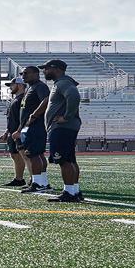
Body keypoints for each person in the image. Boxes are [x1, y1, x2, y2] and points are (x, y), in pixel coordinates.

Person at [38, 59, 85, 203]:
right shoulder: (61, 83)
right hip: (64, 128)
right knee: (70, 160)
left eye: (46, 69)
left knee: (63, 160)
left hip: (62, 128)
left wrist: (66, 117)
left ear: (56, 69)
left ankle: (69, 192)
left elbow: (74, 96)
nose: (44, 71)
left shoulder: (63, 83)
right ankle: (75, 191)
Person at [14, 65, 53, 194]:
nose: (23, 76)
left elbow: (46, 100)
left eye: (26, 73)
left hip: (36, 125)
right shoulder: (31, 87)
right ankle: (43, 182)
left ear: (36, 74)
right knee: (38, 154)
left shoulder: (40, 86)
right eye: (22, 73)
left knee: (34, 155)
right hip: (29, 126)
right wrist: (20, 128)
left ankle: (38, 183)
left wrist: (34, 115)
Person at [0, 78, 27, 188]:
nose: (10, 87)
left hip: (20, 132)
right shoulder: (16, 99)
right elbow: (12, 119)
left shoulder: (23, 99)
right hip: (13, 132)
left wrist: (19, 131)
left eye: (12, 85)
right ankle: (19, 179)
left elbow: (24, 118)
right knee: (15, 155)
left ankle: (36, 180)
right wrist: (7, 132)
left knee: (26, 156)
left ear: (19, 85)